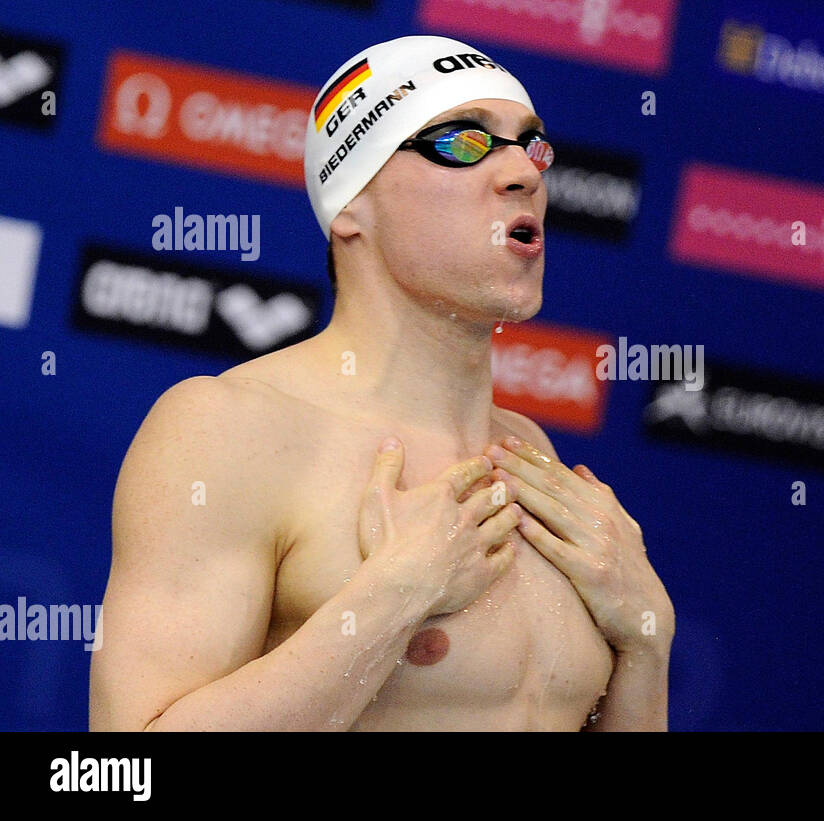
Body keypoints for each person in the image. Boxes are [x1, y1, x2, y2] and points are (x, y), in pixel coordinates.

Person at [89, 35, 674, 731]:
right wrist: (394, 599)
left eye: (532, 145)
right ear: (349, 204)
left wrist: (648, 641)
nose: (522, 171)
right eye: (462, 143)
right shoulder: (229, 430)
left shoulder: (533, 460)